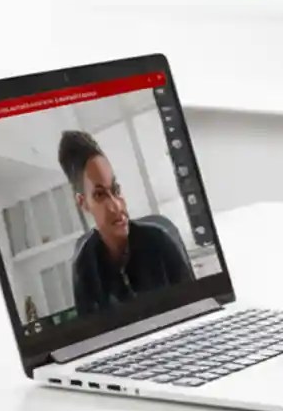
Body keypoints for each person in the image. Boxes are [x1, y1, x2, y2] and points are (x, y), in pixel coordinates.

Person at [57, 130, 195, 315]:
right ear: (84, 203)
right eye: (99, 194)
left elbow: (195, 305)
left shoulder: (160, 241)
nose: (116, 206)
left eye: (116, 189)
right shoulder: (84, 268)